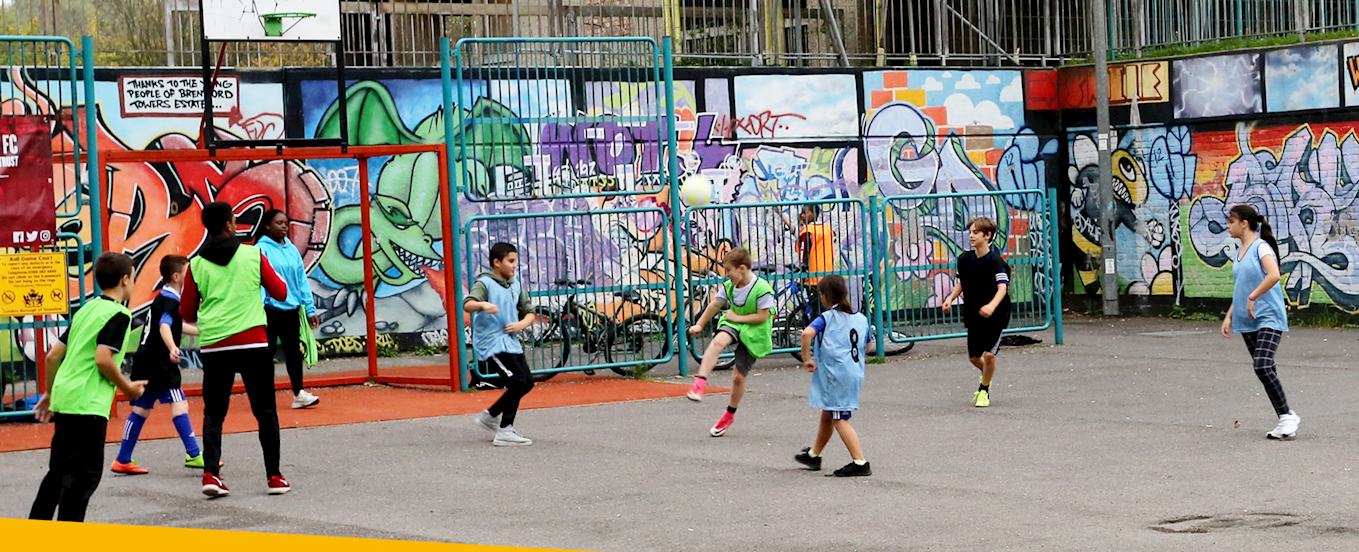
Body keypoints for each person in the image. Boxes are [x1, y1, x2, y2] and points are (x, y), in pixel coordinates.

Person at [182, 201, 292, 497]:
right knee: (266, 411)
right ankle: (274, 477)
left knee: (214, 412)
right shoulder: (253, 255)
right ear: (230, 225)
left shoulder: (196, 264)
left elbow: (187, 312)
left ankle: (210, 475)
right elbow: (280, 292)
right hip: (253, 342)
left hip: (216, 345)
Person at [29, 252, 147, 522]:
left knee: (57, 474)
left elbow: (53, 356)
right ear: (125, 279)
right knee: (83, 480)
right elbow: (104, 359)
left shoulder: (86, 309)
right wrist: (128, 389)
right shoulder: (119, 315)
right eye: (134, 277)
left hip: (66, 399)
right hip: (88, 404)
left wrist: (49, 393)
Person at [111, 255, 207, 475]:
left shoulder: (163, 298)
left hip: (145, 360)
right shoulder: (172, 301)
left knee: (142, 407)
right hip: (159, 363)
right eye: (188, 272)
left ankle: (123, 458)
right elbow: (165, 326)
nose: (191, 277)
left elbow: (174, 325)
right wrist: (173, 348)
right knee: (179, 403)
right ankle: (194, 454)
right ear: (176, 276)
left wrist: (204, 331)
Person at [1221, 204, 1299, 439]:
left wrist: (1253, 297)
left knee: (1262, 365)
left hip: (1269, 316)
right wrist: (1229, 315)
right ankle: (1286, 416)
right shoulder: (1239, 252)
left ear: (1244, 224)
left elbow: (1274, 274)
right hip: (1247, 320)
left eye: (1231, 222)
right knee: (1265, 369)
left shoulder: (1260, 247)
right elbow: (1241, 287)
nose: (1228, 226)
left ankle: (1287, 417)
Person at [686, 247, 775, 437]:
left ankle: (729, 415)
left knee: (738, 378)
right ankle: (699, 383)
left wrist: (736, 316)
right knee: (718, 342)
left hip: (754, 331)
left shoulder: (762, 289)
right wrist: (699, 325)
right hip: (734, 322)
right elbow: (714, 305)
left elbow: (761, 317)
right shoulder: (729, 287)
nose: (726, 274)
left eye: (728, 270)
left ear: (742, 268)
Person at [794, 275, 872, 477]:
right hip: (854, 372)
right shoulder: (861, 319)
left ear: (824, 297)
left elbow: (806, 334)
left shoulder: (827, 318)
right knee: (829, 412)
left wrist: (807, 357)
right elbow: (868, 345)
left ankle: (860, 461)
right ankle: (814, 455)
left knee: (840, 419)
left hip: (837, 374)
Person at [465, 242, 537, 446]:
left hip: (510, 341)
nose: (515, 265)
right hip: (492, 343)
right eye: (511, 261)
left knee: (527, 382)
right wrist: (483, 304)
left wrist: (521, 324)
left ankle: (491, 414)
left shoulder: (515, 284)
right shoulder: (485, 283)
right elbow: (468, 304)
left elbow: (529, 311)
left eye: (516, 261)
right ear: (497, 263)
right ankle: (505, 430)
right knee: (517, 381)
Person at [941, 216, 1011, 408]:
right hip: (974, 314)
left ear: (987, 236)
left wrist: (991, 306)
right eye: (970, 232)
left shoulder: (996, 262)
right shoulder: (964, 260)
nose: (971, 236)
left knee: (989, 355)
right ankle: (988, 374)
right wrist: (950, 298)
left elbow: (1002, 288)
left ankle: (984, 390)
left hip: (996, 315)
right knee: (974, 357)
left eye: (975, 233)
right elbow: (963, 282)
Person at [255, 209, 322, 409]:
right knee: (266, 354)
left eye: (286, 223)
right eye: (279, 223)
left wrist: (310, 309)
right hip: (269, 309)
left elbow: (301, 280)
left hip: (291, 310)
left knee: (293, 352)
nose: (284, 226)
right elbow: (259, 282)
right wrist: (259, 308)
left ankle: (299, 394)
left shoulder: (292, 249)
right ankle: (264, 395)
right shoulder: (261, 249)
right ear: (267, 226)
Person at [796, 203, 836, 319]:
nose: (802, 215)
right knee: (825, 307)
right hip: (827, 274)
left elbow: (805, 253)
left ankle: (815, 333)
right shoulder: (827, 228)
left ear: (814, 214)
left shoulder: (808, 231)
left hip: (812, 276)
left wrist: (803, 270)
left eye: (805, 212)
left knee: (816, 310)